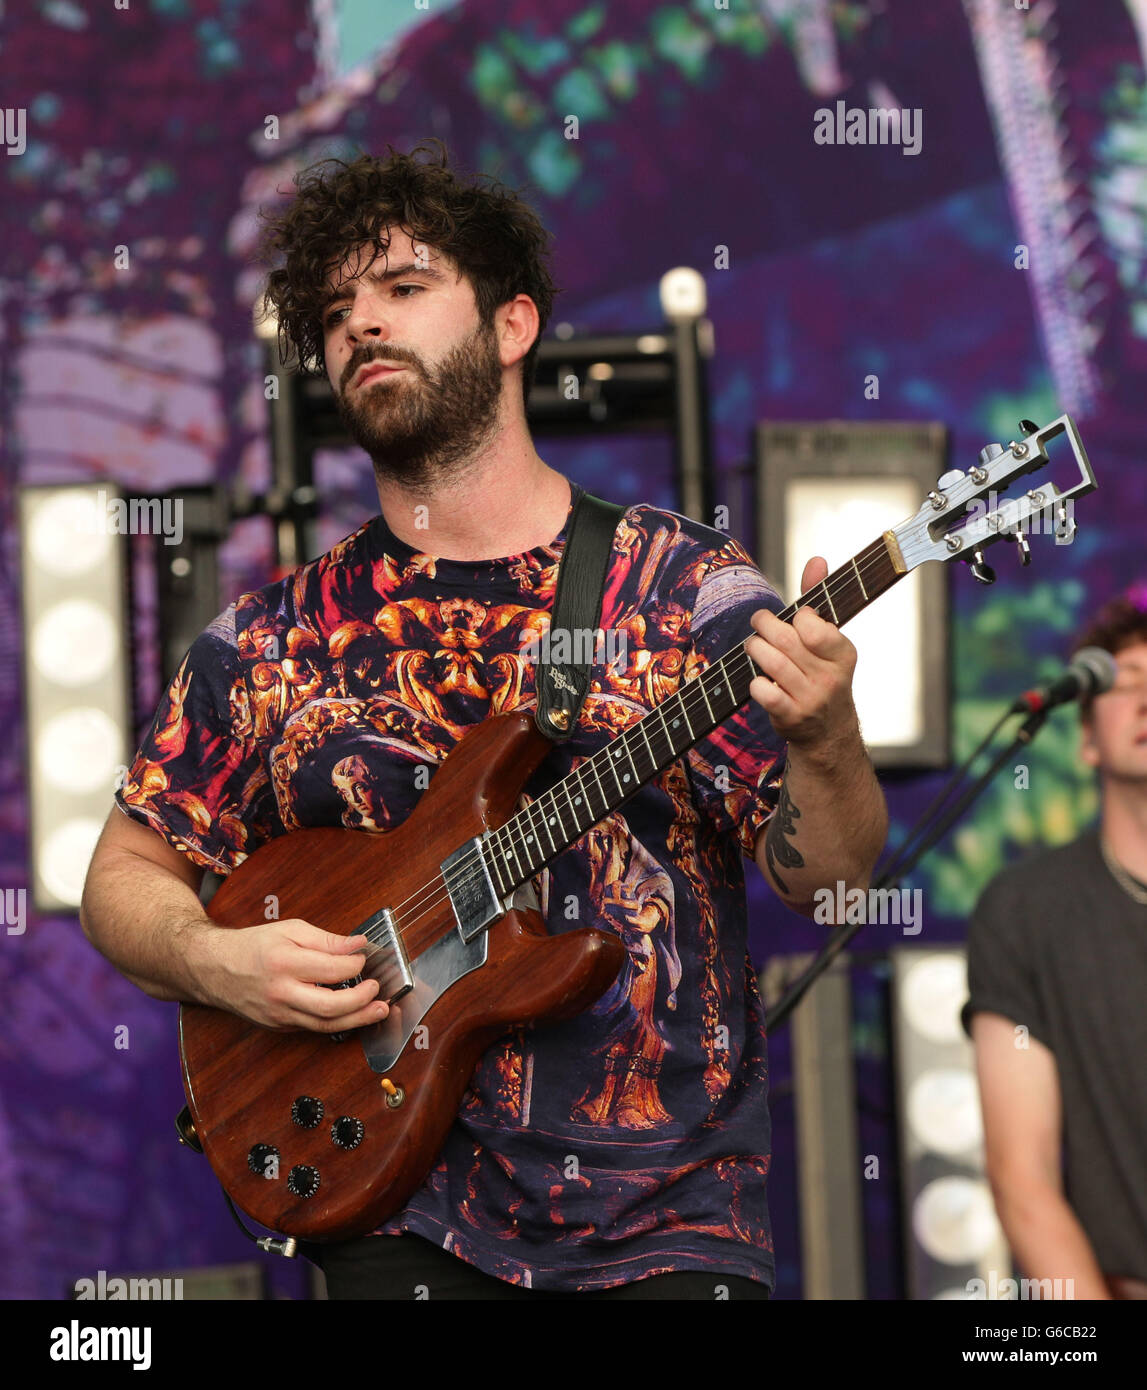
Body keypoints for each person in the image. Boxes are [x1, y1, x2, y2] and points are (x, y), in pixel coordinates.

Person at [80, 140, 887, 1300]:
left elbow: (832, 878)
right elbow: (125, 868)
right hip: (392, 1207)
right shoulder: (271, 639)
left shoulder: (681, 587)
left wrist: (825, 738)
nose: (361, 324)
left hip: (670, 1216)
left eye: (403, 289)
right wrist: (212, 959)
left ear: (513, 326)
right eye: (338, 309)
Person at [963, 589, 1147, 1300]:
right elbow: (1022, 1179)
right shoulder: (1024, 911)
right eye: (1124, 682)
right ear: (1085, 739)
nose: (1144, 698)